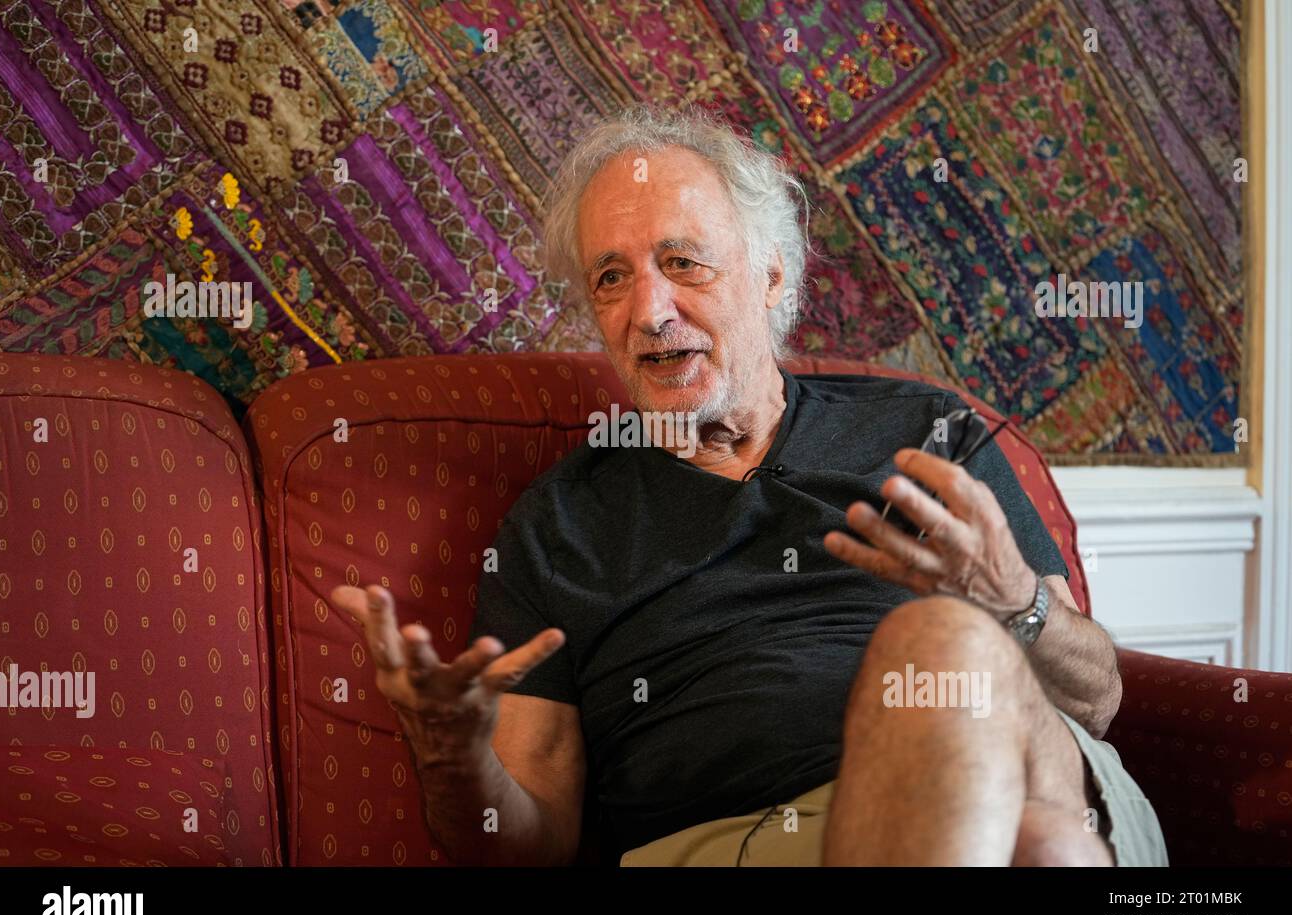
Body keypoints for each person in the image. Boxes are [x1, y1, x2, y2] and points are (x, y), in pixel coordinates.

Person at [331, 104, 1168, 867]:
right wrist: (453, 759)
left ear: (771, 277)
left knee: (950, 657)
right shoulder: (557, 529)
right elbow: (526, 848)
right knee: (1048, 850)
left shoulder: (924, 433)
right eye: (611, 278)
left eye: (681, 262)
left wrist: (1010, 598)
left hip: (1028, 775)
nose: (649, 310)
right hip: (749, 845)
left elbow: (1094, 701)